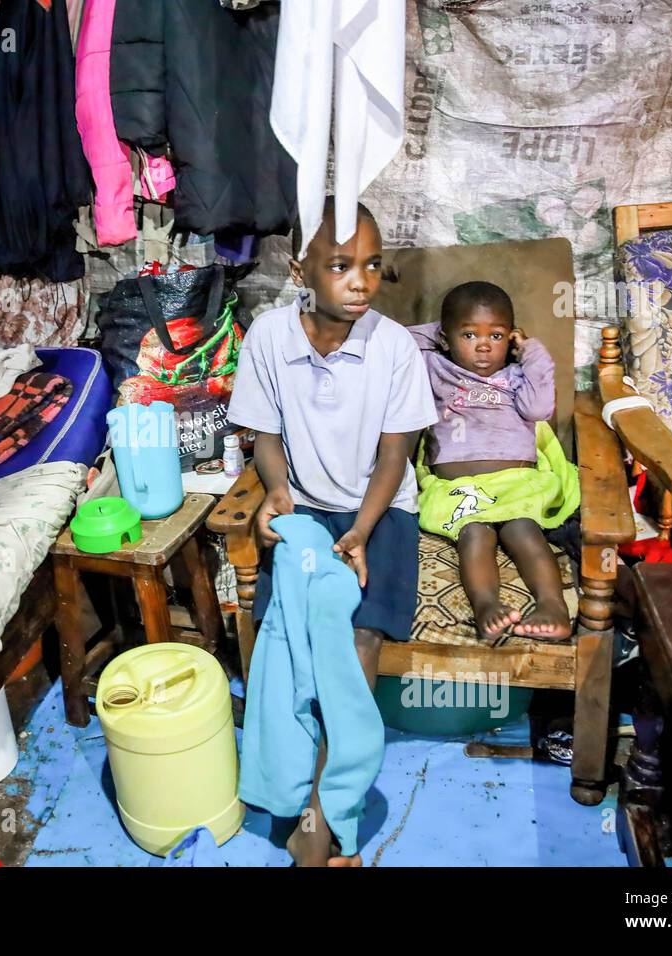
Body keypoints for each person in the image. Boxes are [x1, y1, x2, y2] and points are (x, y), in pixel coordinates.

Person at [227, 196, 438, 866]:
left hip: (382, 507)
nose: (361, 281)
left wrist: (361, 533)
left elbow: (395, 457)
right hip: (308, 507)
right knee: (287, 634)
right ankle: (284, 781)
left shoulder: (394, 347)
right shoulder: (268, 338)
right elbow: (264, 438)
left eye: (372, 265)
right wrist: (279, 493)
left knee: (356, 639)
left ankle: (324, 807)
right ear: (302, 270)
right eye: (342, 265)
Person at [409, 281, 580, 642]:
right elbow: (399, 340)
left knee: (524, 531)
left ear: (512, 338)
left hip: (515, 482)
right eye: (469, 334)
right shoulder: (436, 367)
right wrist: (441, 334)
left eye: (498, 335)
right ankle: (487, 605)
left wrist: (530, 351)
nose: (484, 345)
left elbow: (538, 410)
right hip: (459, 489)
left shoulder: (517, 376)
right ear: (445, 338)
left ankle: (553, 606)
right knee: (474, 534)